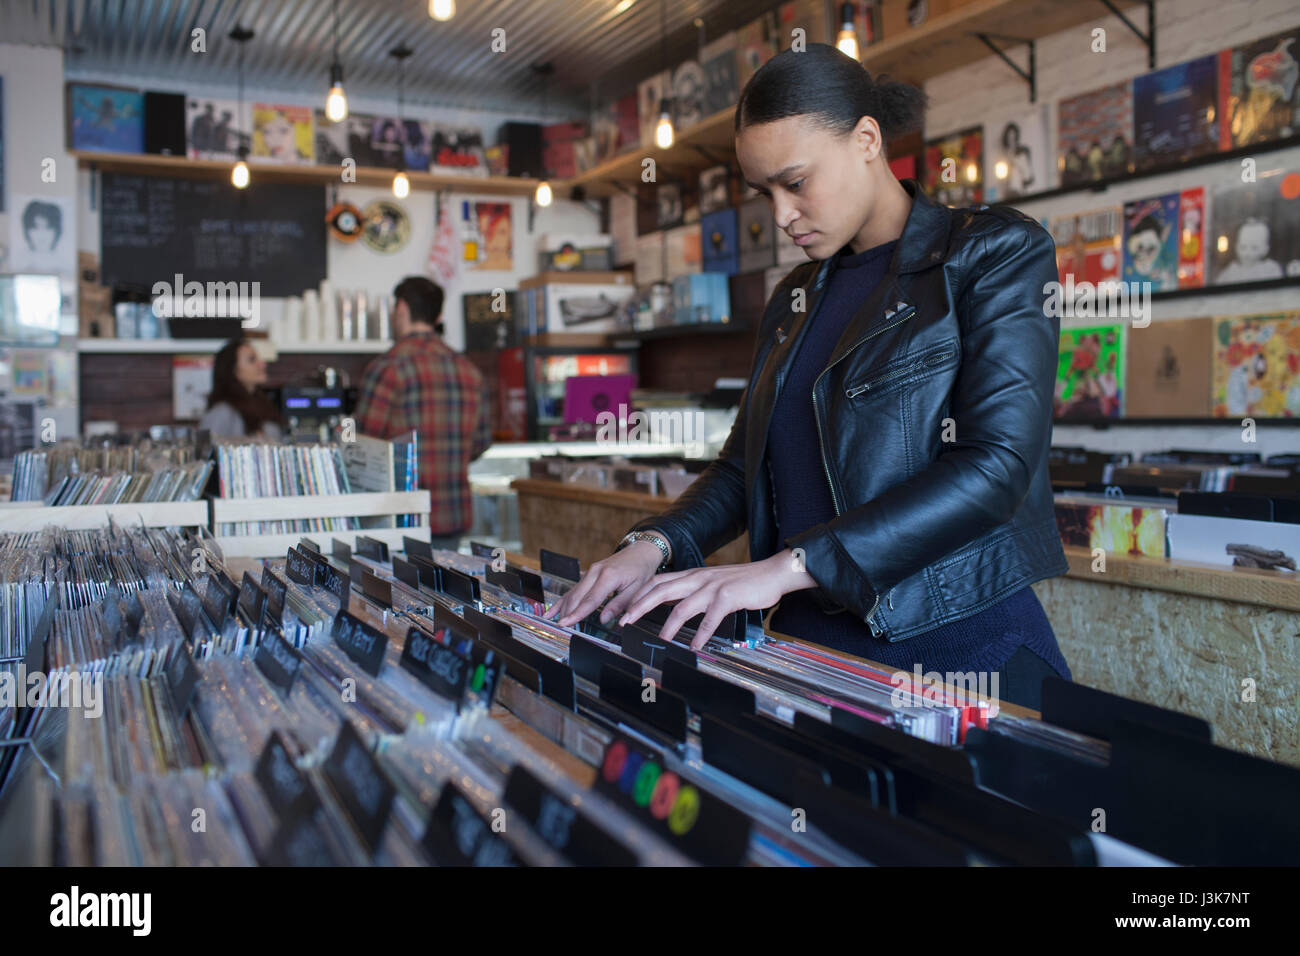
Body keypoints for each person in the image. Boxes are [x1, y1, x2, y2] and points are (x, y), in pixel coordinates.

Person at [548, 43, 1072, 711]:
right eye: (764, 191)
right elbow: (743, 469)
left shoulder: (992, 253)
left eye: (796, 183)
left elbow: (997, 466)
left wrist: (789, 568)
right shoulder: (795, 297)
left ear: (867, 140)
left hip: (955, 648)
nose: (781, 215)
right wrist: (653, 545)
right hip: (806, 654)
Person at [352, 276, 491, 550]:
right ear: (438, 316)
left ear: (401, 308)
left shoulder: (388, 367)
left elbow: (363, 446)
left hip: (399, 519)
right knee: (442, 594)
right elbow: (480, 443)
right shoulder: (470, 371)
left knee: (395, 594)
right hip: (452, 518)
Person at [199, 338, 283, 440]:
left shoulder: (263, 404)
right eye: (252, 360)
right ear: (233, 370)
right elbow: (203, 451)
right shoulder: (222, 411)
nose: (263, 364)